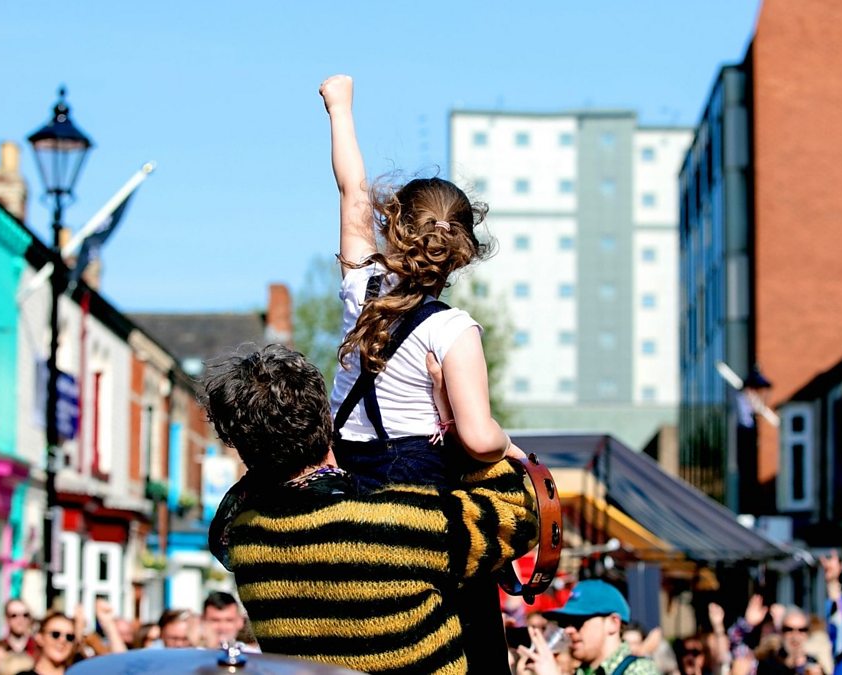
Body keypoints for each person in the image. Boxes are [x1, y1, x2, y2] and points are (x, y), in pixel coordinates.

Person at [321, 72, 525, 673]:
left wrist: (341, 106)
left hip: (351, 476)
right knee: (471, 630)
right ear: (461, 248)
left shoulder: (360, 287)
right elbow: (478, 437)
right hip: (420, 488)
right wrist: (515, 448)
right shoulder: (452, 329)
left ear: (395, 226)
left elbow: (351, 191)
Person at [203, 344, 538, 674]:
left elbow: (241, 499)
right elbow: (522, 513)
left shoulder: (244, 539)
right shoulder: (400, 524)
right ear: (327, 421)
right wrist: (456, 423)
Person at [519, 579, 661, 675]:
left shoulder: (640, 670)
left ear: (613, 623)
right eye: (565, 623)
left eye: (578, 621)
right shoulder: (581, 671)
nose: (568, 630)